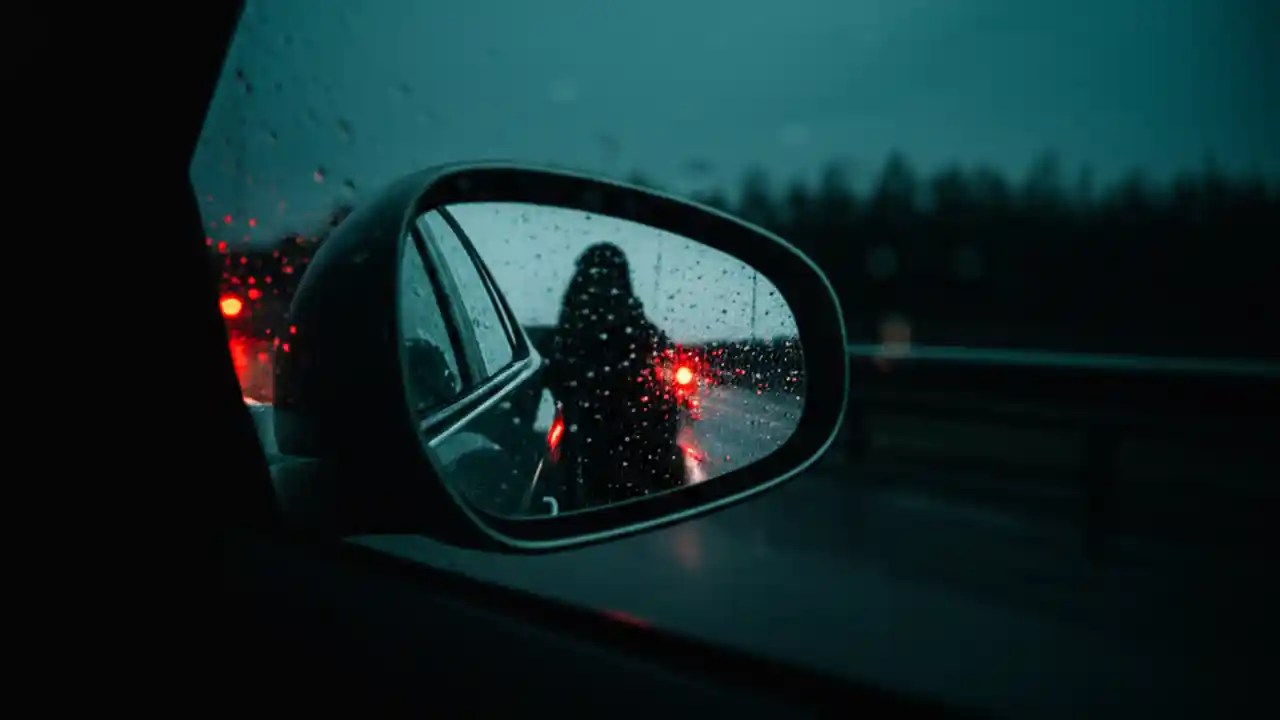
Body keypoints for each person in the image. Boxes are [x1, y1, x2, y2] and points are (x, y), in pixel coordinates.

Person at [544, 242, 686, 509]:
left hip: (586, 467)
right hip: (641, 470)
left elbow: (552, 383)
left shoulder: (567, 332)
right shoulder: (647, 336)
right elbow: (668, 405)